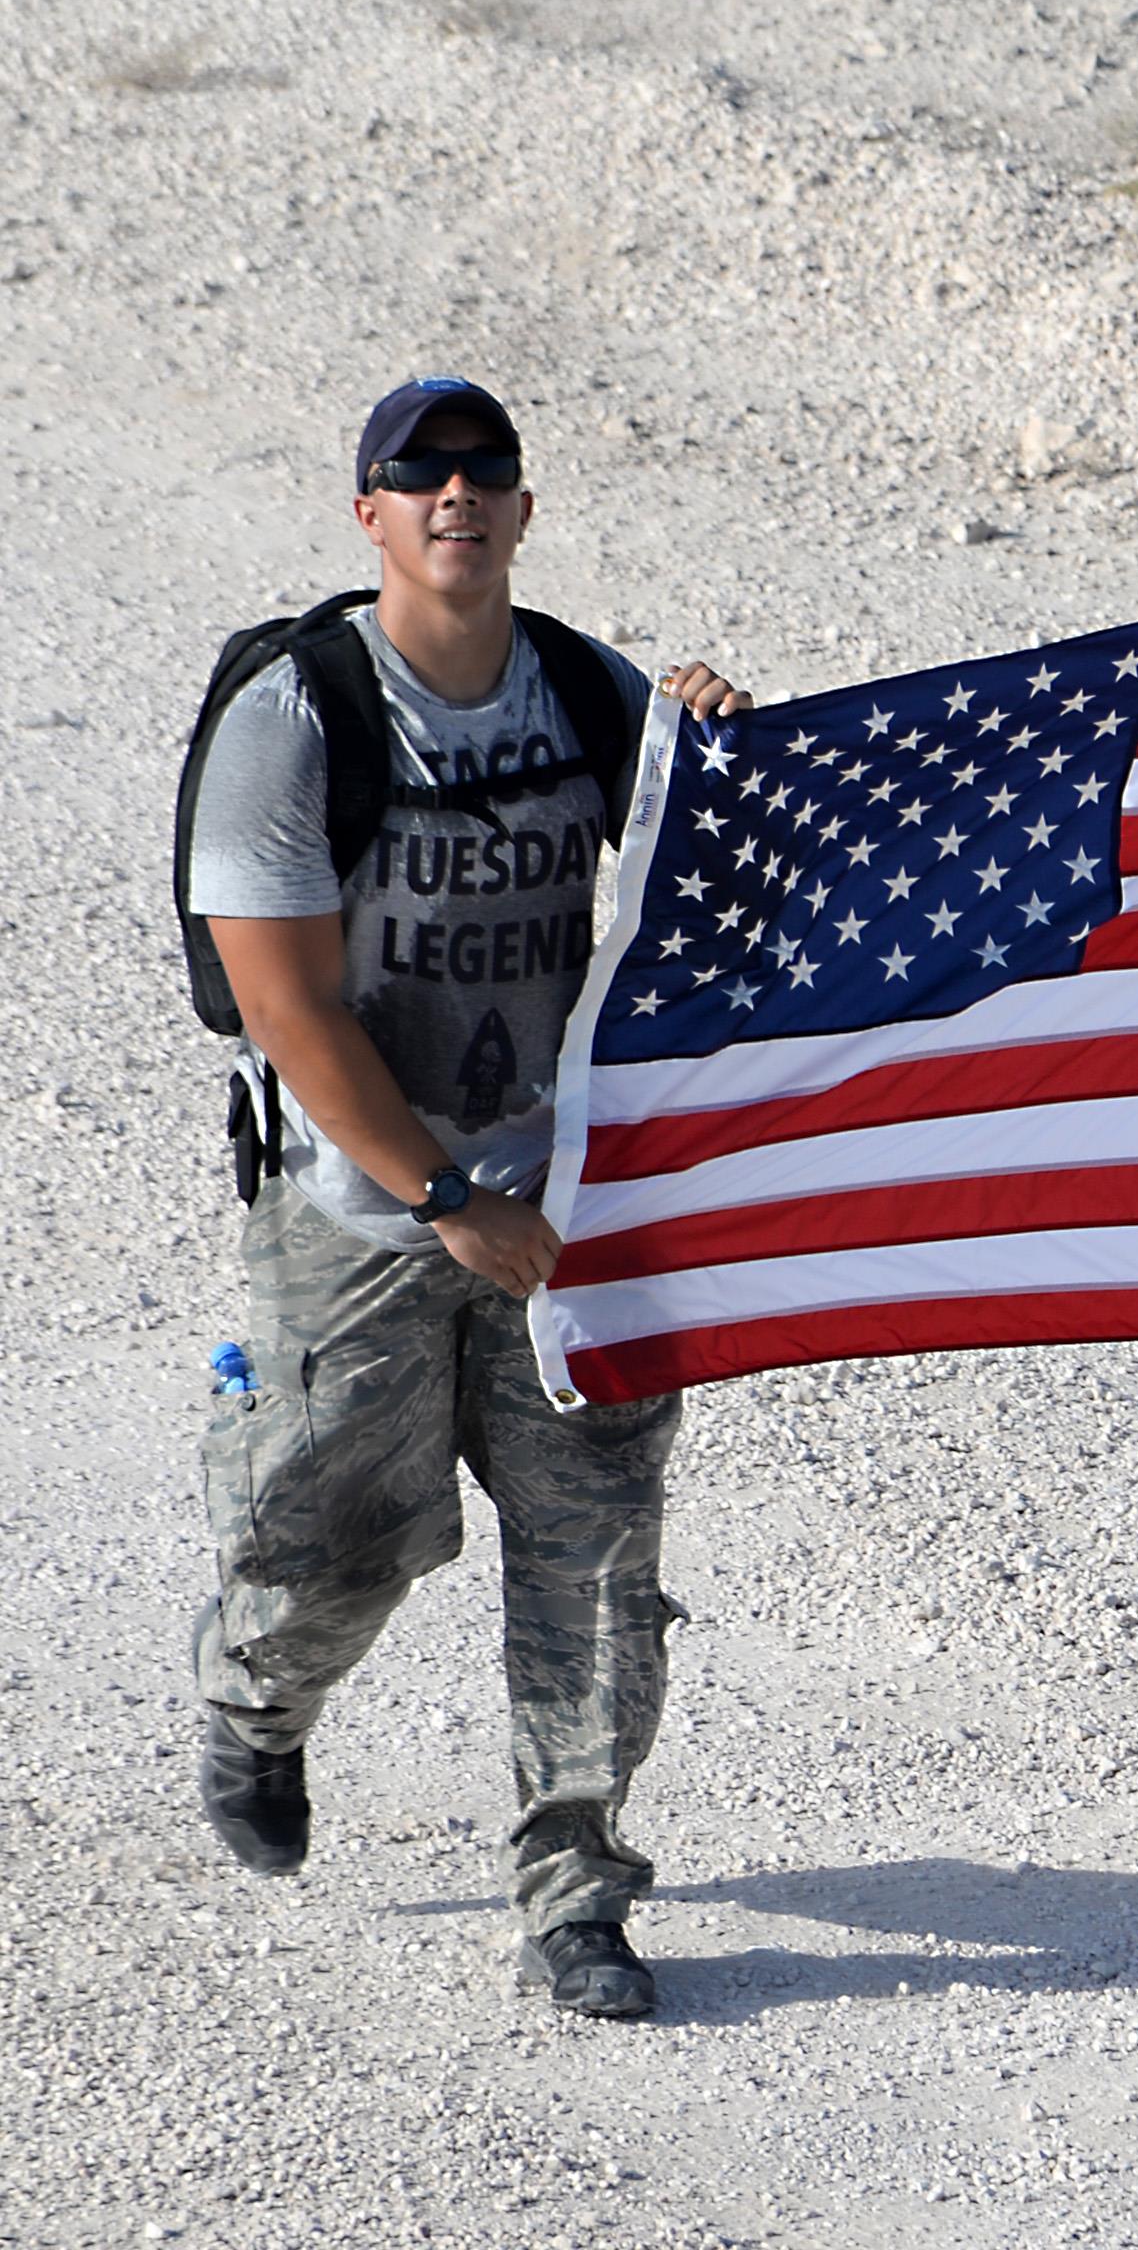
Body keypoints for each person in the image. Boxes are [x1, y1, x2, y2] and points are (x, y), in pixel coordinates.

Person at [183, 376, 747, 2016]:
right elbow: (289, 1008)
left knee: (595, 1556)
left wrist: (716, 736)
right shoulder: (297, 719)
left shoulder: (588, 691)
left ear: (520, 507)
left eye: (485, 472)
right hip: (359, 1213)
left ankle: (575, 1889)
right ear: (368, 514)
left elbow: (713, 869)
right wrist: (442, 1193)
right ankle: (253, 1707)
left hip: (570, 1214)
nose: (455, 497)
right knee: (337, 1536)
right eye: (416, 477)